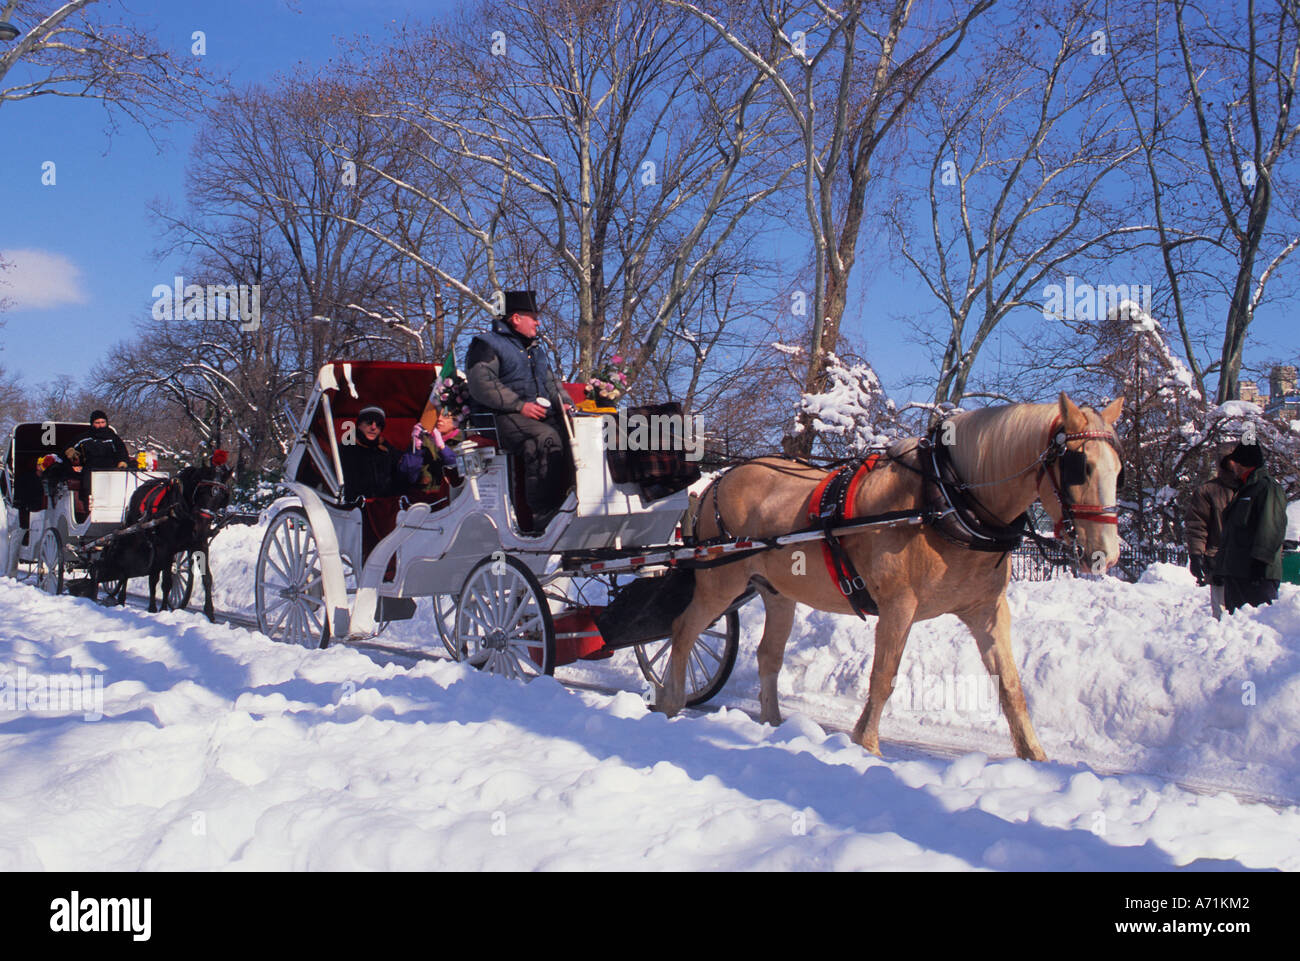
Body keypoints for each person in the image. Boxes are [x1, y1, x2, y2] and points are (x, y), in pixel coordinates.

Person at [465, 289, 573, 531]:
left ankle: (576, 501)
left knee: (578, 435)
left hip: (537, 414)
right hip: (500, 417)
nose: (538, 322)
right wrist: (519, 405)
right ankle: (543, 513)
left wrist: (564, 403)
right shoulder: (485, 345)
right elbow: (481, 383)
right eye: (533, 316)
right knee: (544, 439)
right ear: (516, 318)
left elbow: (551, 383)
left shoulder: (536, 349)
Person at [1212, 440, 1287, 614]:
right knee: (1237, 630)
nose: (1233, 468)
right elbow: (1232, 534)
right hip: (1237, 573)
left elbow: (1271, 526)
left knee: (1255, 628)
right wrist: (1221, 567)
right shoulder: (1245, 489)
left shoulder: (1266, 488)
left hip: (1256, 576)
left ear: (1242, 463)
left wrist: (1260, 563)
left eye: (1235, 463)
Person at [1185, 441, 1240, 618]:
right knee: (1222, 618)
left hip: (1246, 565)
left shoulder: (1252, 489)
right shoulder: (1208, 491)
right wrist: (1196, 554)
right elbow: (1197, 526)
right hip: (1218, 562)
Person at [339, 405, 404, 503]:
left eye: (378, 425)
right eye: (369, 423)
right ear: (359, 425)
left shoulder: (385, 447)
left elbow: (402, 469)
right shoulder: (346, 448)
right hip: (354, 506)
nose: (374, 427)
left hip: (384, 505)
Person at [66, 409, 130, 472]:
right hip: (89, 471)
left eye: (103, 422)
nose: (101, 425)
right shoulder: (84, 437)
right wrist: (70, 451)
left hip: (110, 471)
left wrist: (123, 461)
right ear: (92, 423)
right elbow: (68, 448)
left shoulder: (113, 437)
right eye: (97, 423)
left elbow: (122, 451)